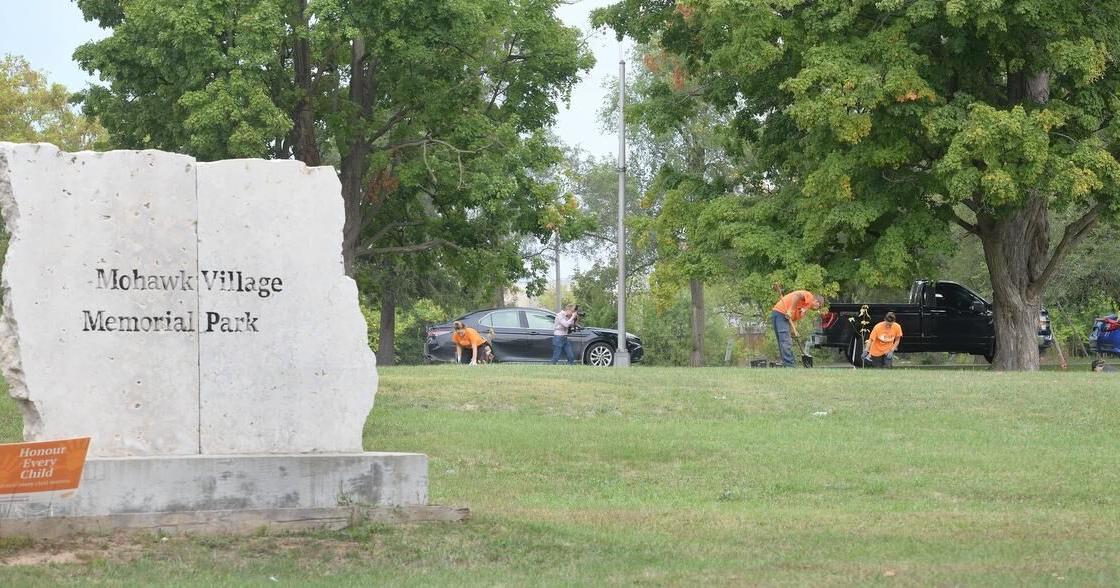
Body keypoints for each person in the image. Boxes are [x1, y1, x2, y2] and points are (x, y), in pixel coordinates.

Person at [771, 289, 823, 367]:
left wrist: (793, 330)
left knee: (783, 341)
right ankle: (790, 365)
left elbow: (793, 319)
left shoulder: (805, 307)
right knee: (785, 341)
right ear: (816, 301)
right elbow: (797, 295)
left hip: (778, 313)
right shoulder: (810, 296)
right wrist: (790, 310)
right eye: (818, 306)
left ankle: (786, 363)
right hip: (781, 312)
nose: (817, 309)